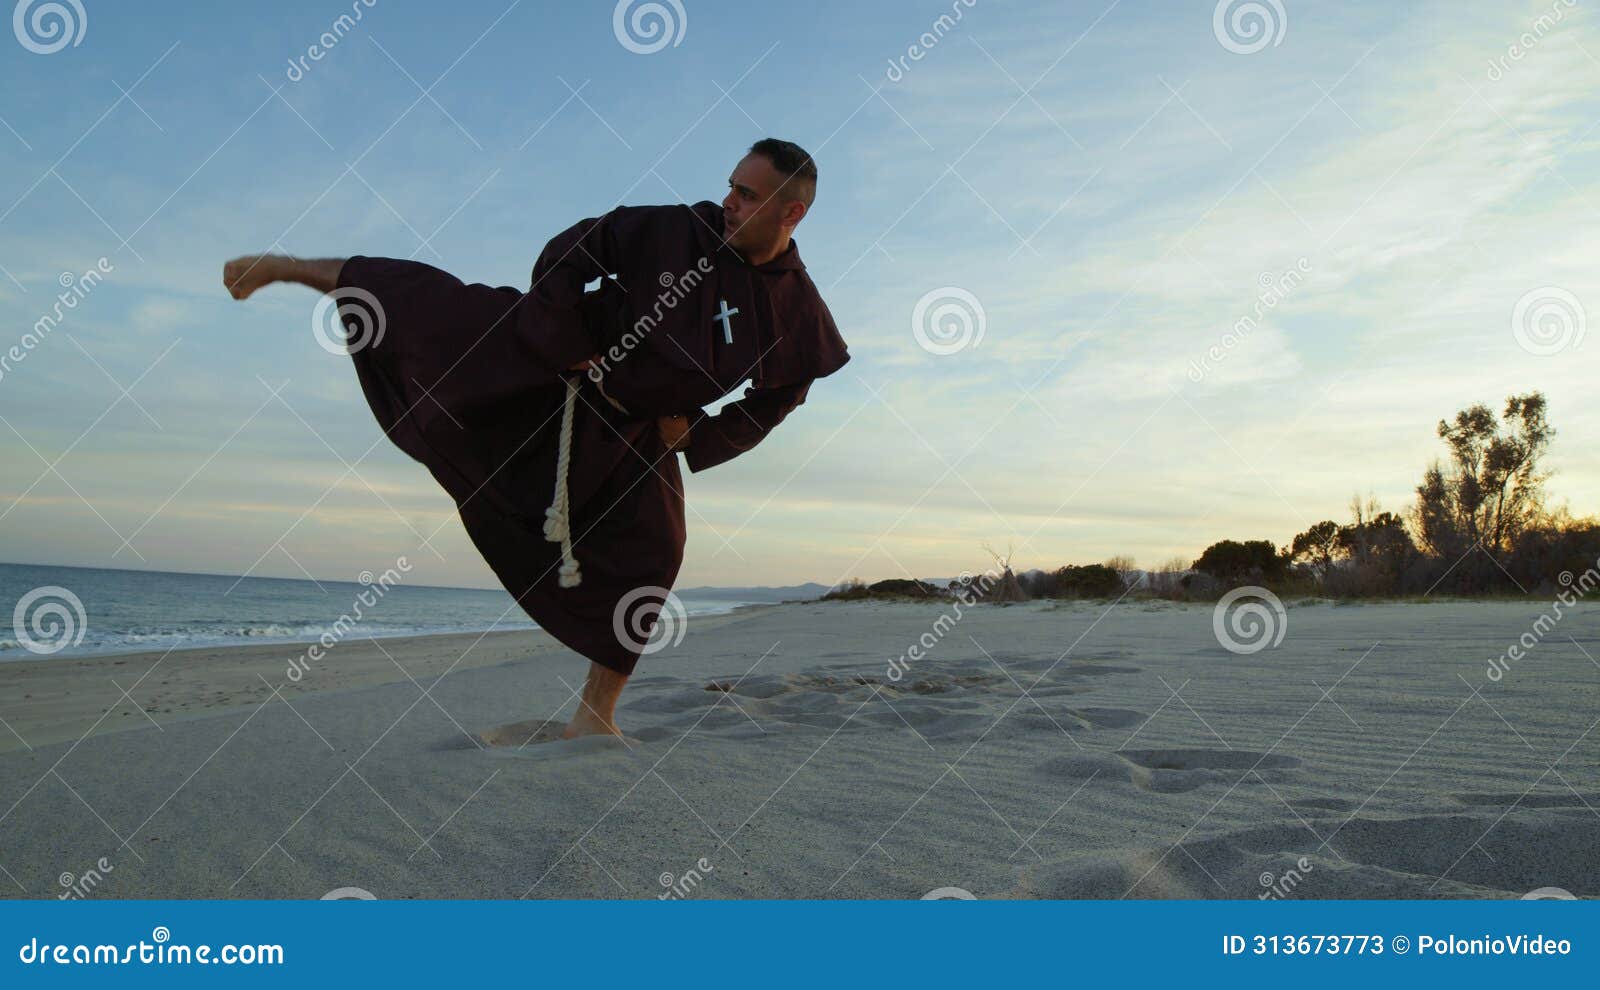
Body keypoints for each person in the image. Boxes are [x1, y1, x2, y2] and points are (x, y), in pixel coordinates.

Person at [221, 138, 849, 741]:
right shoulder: (673, 227)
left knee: (657, 551)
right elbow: (571, 250)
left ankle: (595, 716)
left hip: (635, 426)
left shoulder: (799, 313)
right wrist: (568, 342)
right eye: (731, 187)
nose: (729, 203)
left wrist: (700, 434)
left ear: (791, 212)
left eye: (747, 195)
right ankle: (290, 267)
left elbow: (781, 397)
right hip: (551, 358)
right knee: (425, 304)